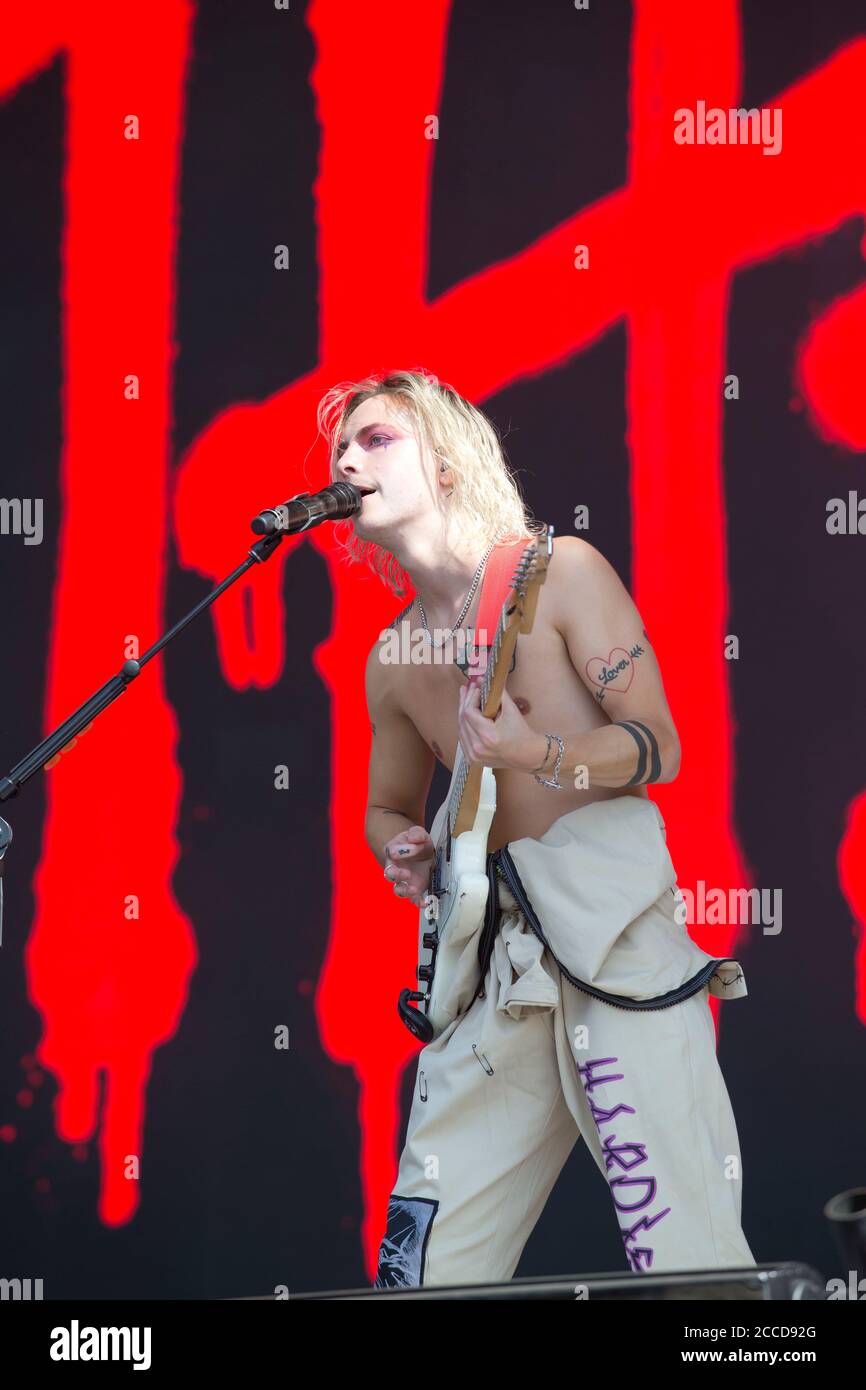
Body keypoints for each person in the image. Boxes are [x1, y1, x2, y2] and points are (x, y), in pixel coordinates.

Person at [318, 367, 755, 1288]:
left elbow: (661, 747)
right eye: (341, 446)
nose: (348, 458)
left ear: (446, 463)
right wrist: (403, 847)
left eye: (376, 438)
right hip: (495, 969)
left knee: (687, 1261)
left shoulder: (559, 574)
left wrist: (536, 753)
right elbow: (383, 808)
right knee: (426, 1272)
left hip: (613, 941)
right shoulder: (391, 659)